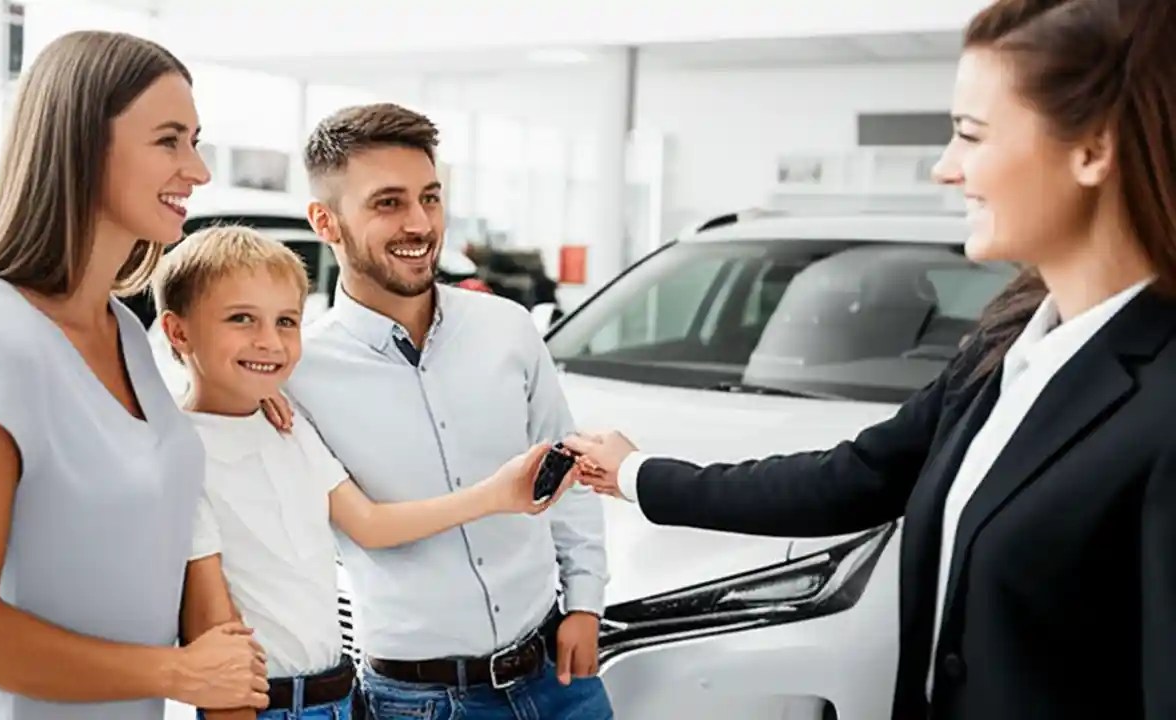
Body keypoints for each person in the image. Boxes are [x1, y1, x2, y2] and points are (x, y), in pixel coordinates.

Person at [566, 1, 1176, 719]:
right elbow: (851, 478)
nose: (946, 169)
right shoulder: (1007, 347)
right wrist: (636, 473)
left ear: (1094, 150)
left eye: (970, 134)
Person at [0, 31, 271, 720]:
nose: (197, 170)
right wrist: (178, 674)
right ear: (81, 146)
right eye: (169, 141)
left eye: (194, 141)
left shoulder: (124, 332)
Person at [151, 225, 576, 720]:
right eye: (241, 319)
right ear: (178, 332)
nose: (269, 342)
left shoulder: (287, 425)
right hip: (269, 707)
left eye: (286, 321)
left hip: (342, 697)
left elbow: (370, 524)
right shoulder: (183, 453)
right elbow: (209, 623)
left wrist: (497, 496)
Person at [285, 103, 614, 719]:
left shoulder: (507, 328)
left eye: (430, 198)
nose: (420, 223)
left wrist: (585, 602)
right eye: (388, 203)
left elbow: (567, 470)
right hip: (421, 703)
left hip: (559, 678)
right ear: (326, 221)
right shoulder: (295, 377)